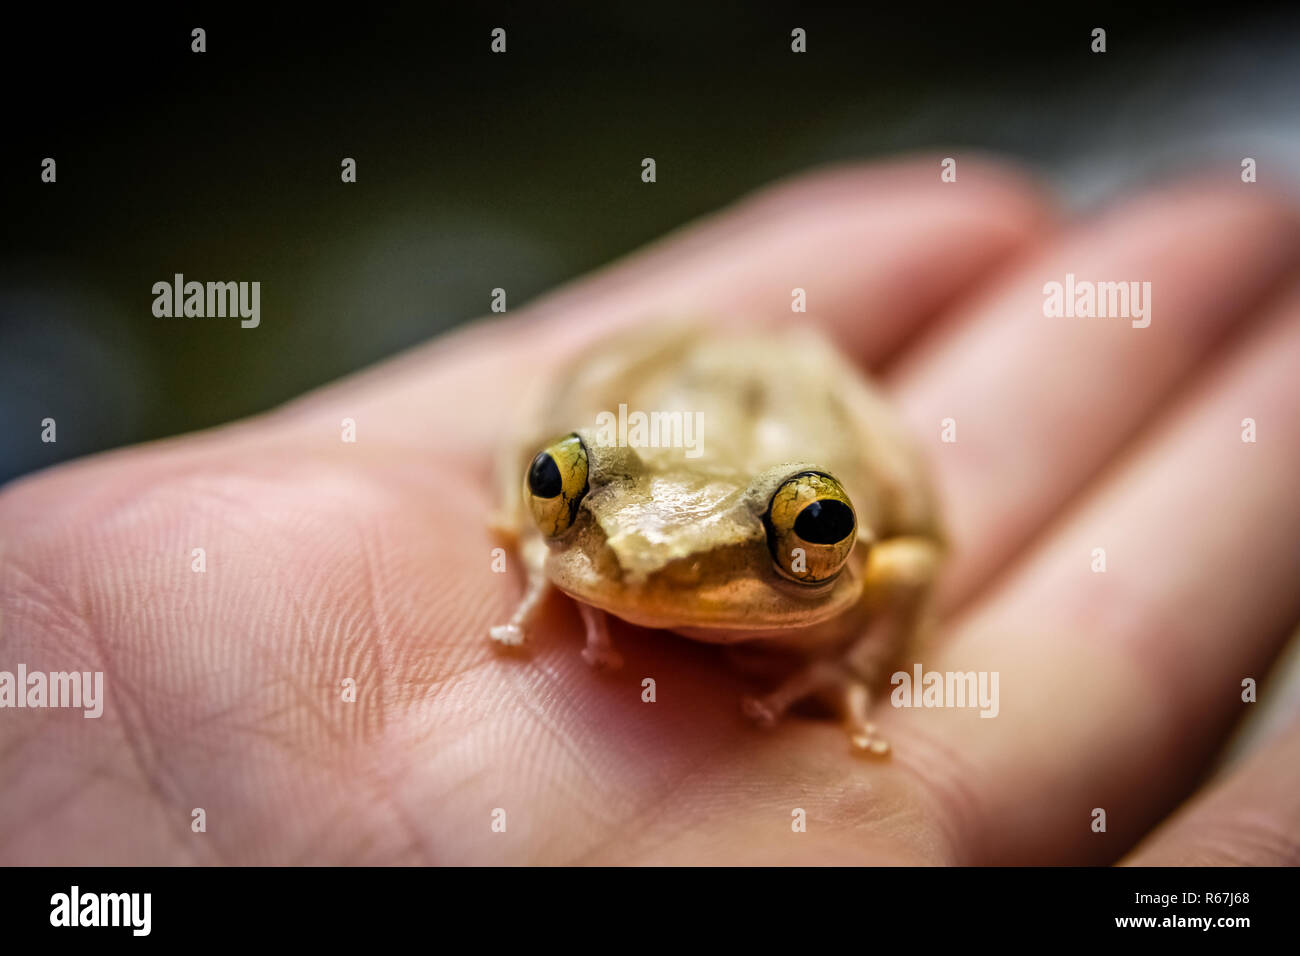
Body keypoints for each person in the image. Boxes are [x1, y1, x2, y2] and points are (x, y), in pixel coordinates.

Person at [1, 158, 1297, 864]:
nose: (647, 564)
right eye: (571, 501)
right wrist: (542, 522)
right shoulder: (606, 496)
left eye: (803, 539)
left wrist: (850, 650)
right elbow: (573, 469)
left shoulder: (827, 526)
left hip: (793, 434)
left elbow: (910, 552)